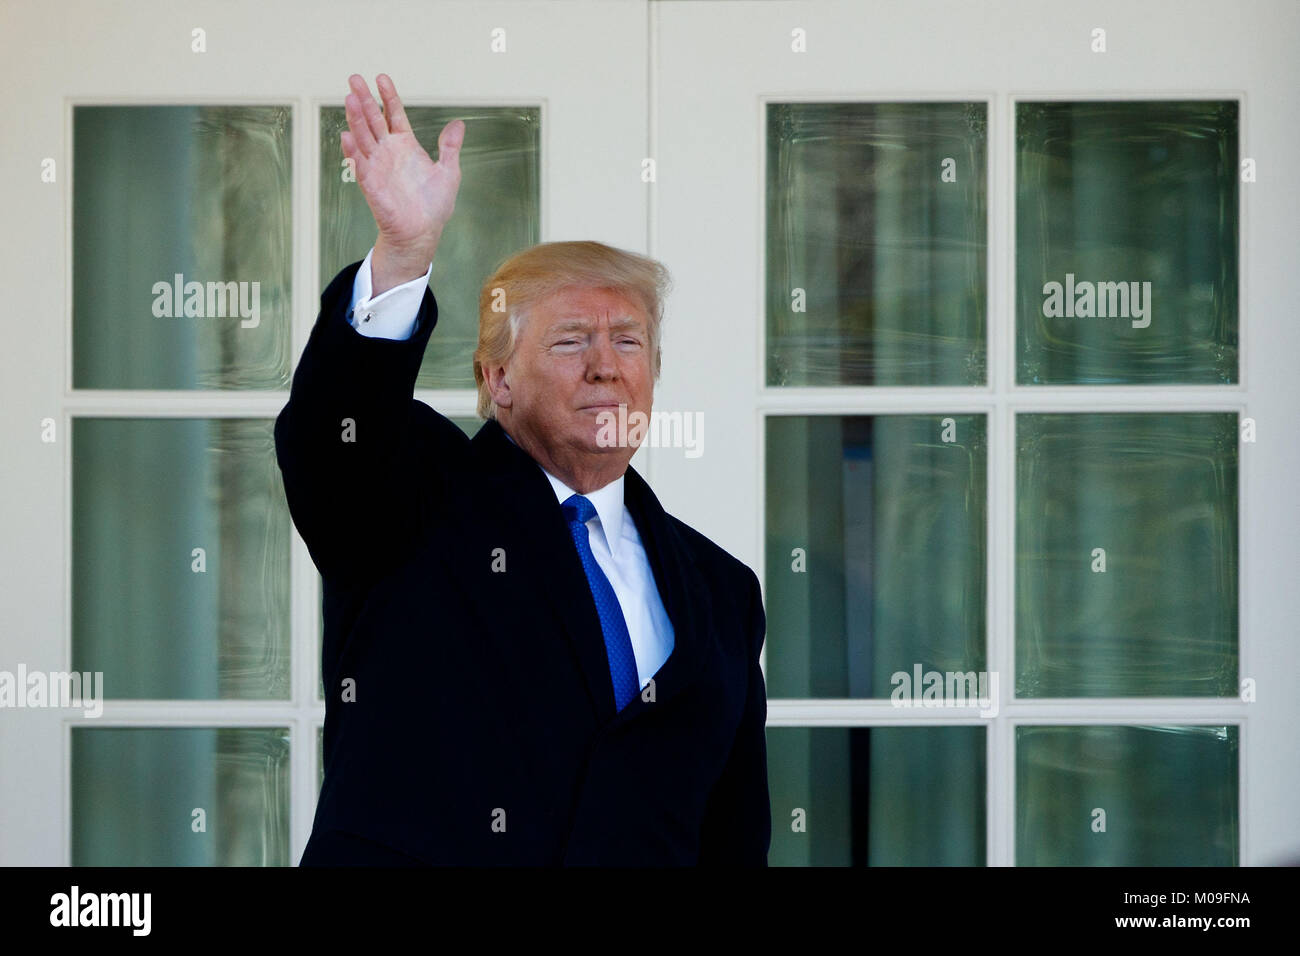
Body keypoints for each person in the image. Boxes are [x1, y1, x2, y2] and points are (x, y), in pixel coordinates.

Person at [275, 73, 770, 865]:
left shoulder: (722, 589)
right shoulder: (418, 499)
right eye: (571, 341)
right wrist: (403, 255)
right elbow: (334, 442)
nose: (606, 367)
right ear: (497, 380)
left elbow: (733, 836)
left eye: (630, 342)